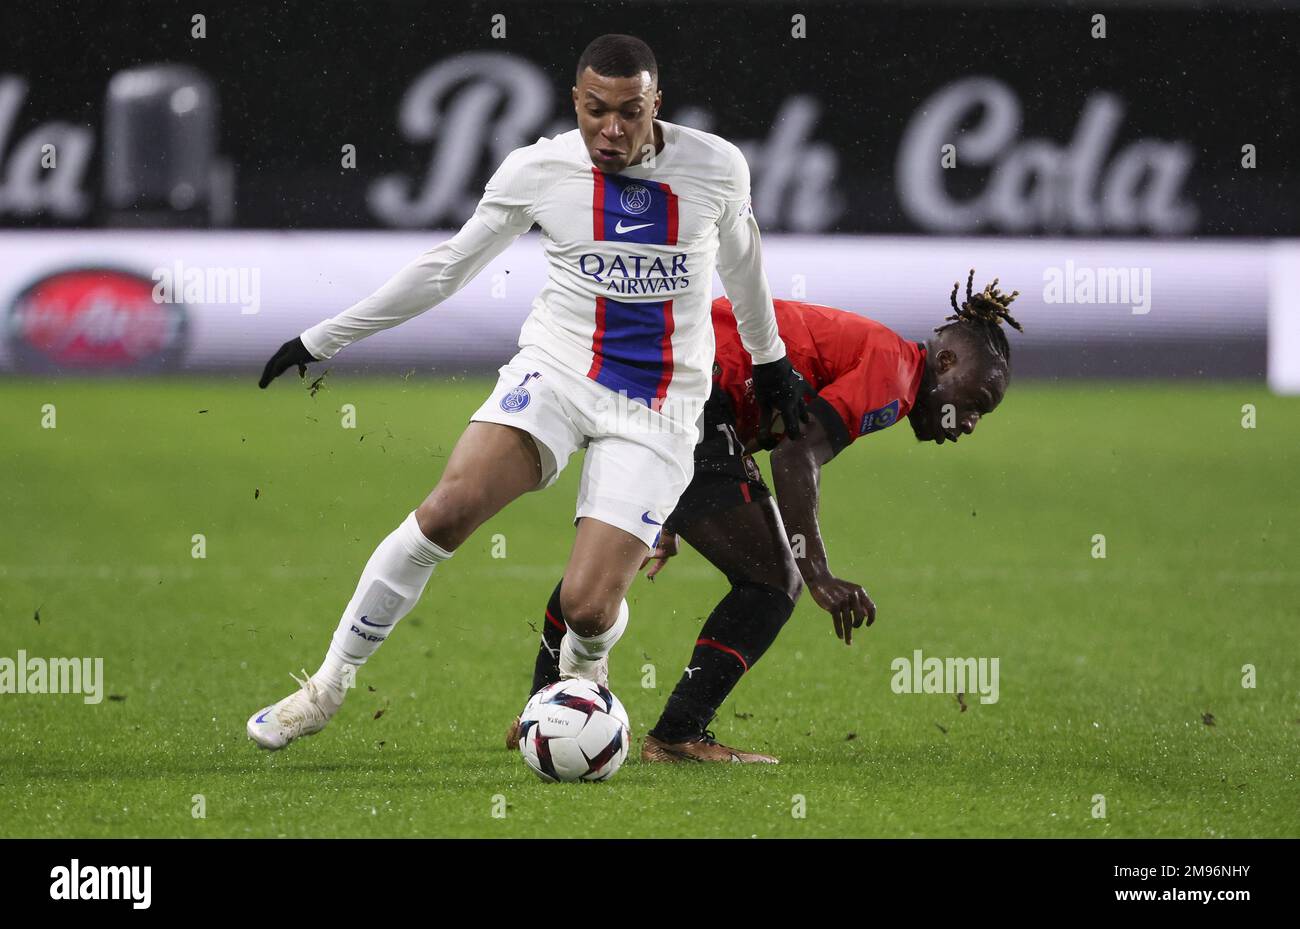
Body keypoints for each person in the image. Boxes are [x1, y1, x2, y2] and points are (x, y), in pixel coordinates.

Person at [246, 33, 808, 750]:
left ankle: (584, 668)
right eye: (595, 110)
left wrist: (770, 360)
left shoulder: (716, 166)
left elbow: (744, 258)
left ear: (656, 104)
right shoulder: (538, 171)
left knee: (586, 605)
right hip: (559, 370)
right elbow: (447, 266)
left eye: (630, 112)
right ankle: (325, 687)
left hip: (659, 403)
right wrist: (322, 339)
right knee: (444, 512)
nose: (611, 130)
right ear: (574, 100)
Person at [513, 271, 1022, 763]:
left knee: (609, 563)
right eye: (974, 401)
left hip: (659, 375)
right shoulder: (898, 374)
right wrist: (818, 574)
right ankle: (678, 735)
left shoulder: (884, 358)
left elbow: (772, 423)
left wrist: (664, 505)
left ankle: (542, 711)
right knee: (774, 580)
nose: (970, 422)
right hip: (690, 388)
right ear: (947, 360)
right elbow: (796, 453)